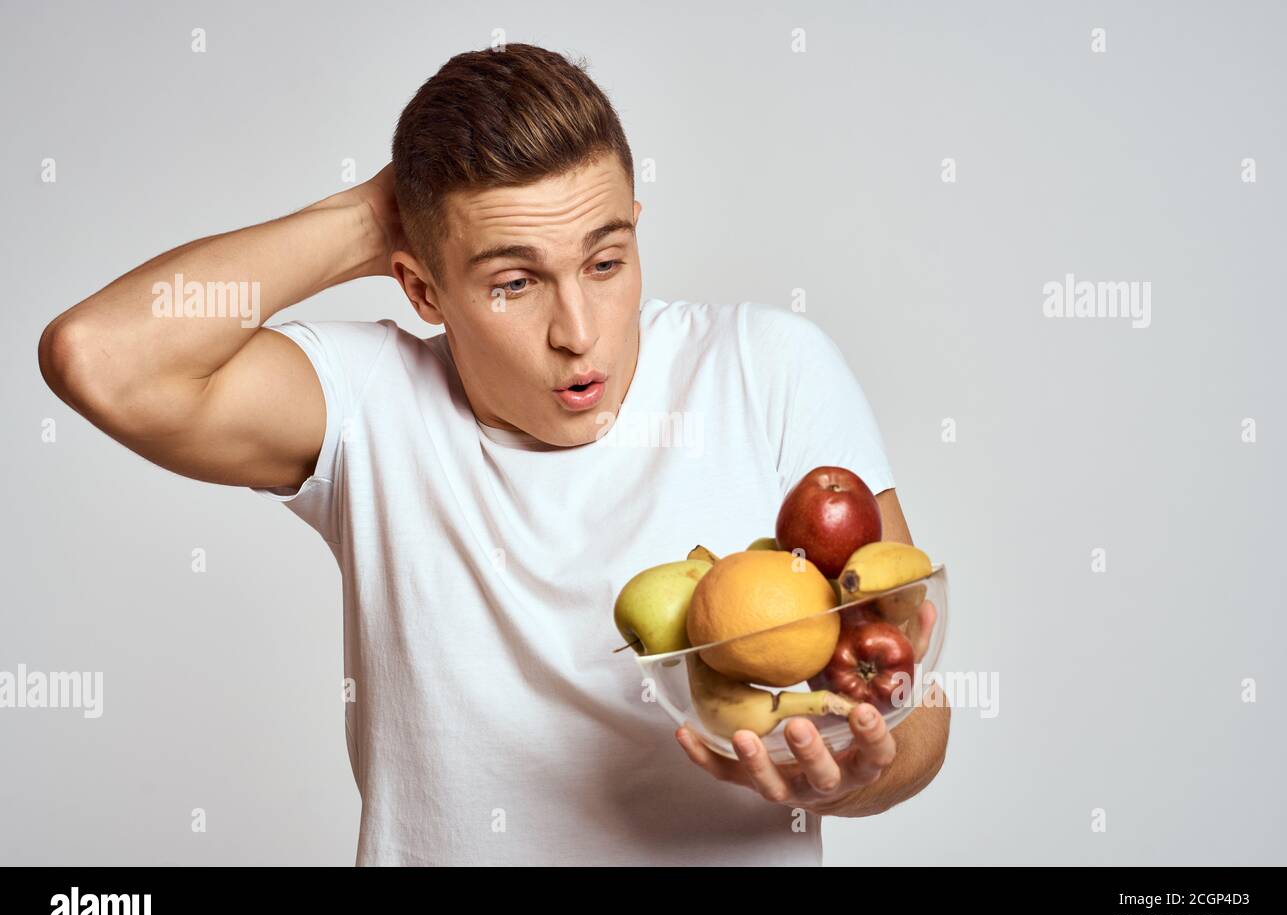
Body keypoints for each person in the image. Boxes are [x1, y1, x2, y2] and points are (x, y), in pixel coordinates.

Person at [37, 43, 949, 866]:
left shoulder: (768, 367)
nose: (578, 332)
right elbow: (101, 358)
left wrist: (855, 775)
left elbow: (919, 706)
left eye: (606, 261)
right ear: (421, 288)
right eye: (515, 282)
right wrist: (368, 217)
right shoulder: (371, 404)